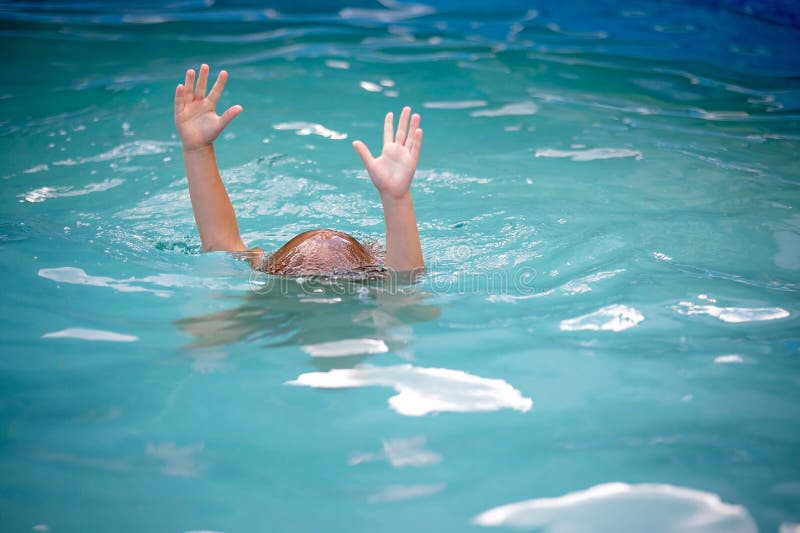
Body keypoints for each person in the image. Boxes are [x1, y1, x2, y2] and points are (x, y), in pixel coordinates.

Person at [173, 64, 424, 276]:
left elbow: (222, 249)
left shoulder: (254, 315)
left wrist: (198, 151)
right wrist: (396, 200)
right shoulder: (378, 304)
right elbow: (404, 283)